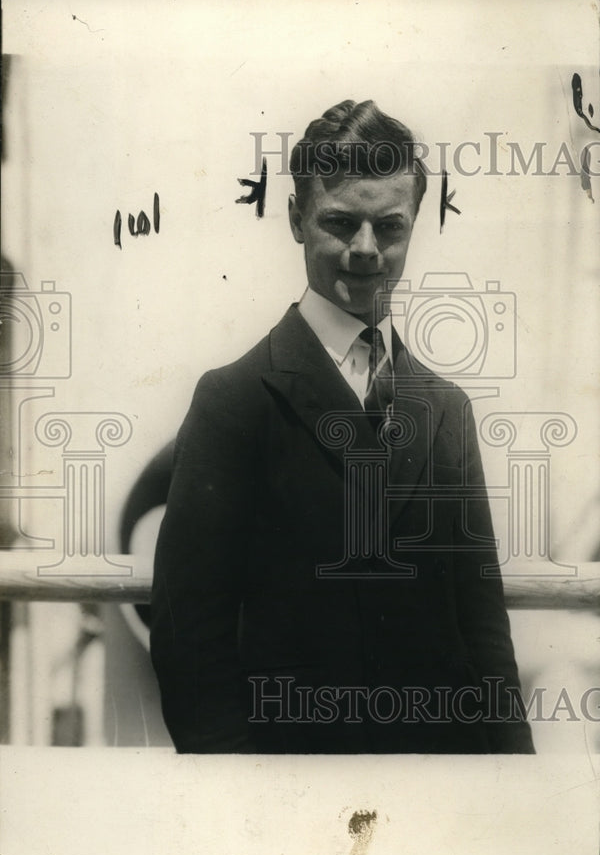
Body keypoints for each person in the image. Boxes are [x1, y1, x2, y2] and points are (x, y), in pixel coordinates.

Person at [150, 99, 534, 754]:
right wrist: (234, 792)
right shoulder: (234, 400)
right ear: (296, 219)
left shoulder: (447, 409)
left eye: (388, 226)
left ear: (414, 226)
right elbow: (190, 635)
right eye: (339, 222)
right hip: (292, 784)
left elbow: (483, 631)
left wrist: (514, 781)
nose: (365, 250)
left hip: (441, 783)